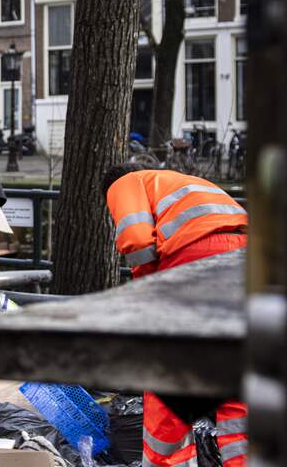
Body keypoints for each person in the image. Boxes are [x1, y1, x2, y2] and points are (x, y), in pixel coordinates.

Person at [103, 164, 249, 467]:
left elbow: (136, 239)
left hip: (195, 259)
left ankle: (166, 462)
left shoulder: (125, 183)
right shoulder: (183, 185)